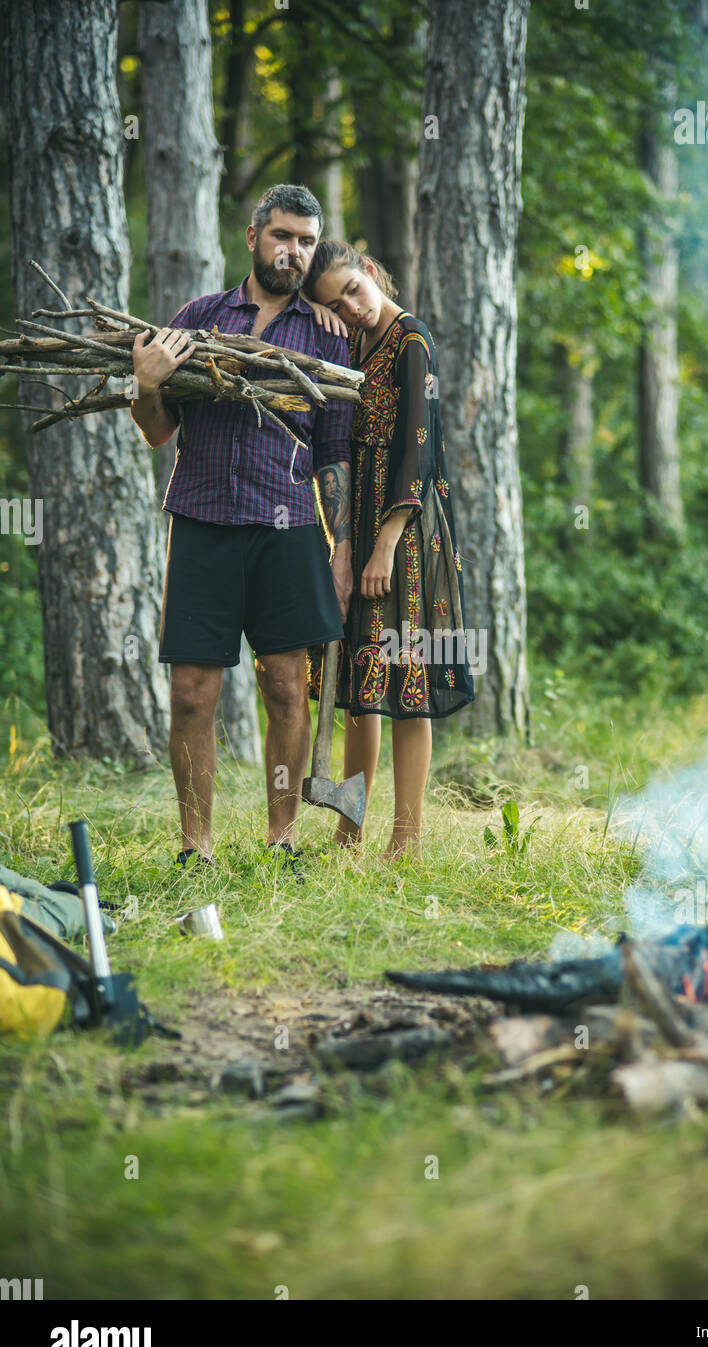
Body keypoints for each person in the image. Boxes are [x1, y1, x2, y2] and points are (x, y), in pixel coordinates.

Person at [129, 185, 351, 880]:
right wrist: (146, 384)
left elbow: (335, 456)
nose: (295, 251)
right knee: (193, 690)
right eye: (283, 235)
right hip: (202, 522)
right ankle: (196, 846)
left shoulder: (327, 335)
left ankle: (280, 838)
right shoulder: (198, 320)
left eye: (307, 241)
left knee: (286, 686)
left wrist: (342, 547)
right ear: (253, 235)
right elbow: (157, 431)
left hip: (288, 531)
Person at [303, 240, 474, 861]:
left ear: (371, 272)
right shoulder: (352, 345)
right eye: (335, 304)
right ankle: (349, 830)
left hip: (405, 529)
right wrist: (343, 546)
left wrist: (384, 546)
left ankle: (407, 839)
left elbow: (418, 447)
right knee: (361, 682)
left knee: (407, 680)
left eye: (354, 289)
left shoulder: (411, 340)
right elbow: (338, 444)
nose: (352, 307)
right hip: (363, 524)